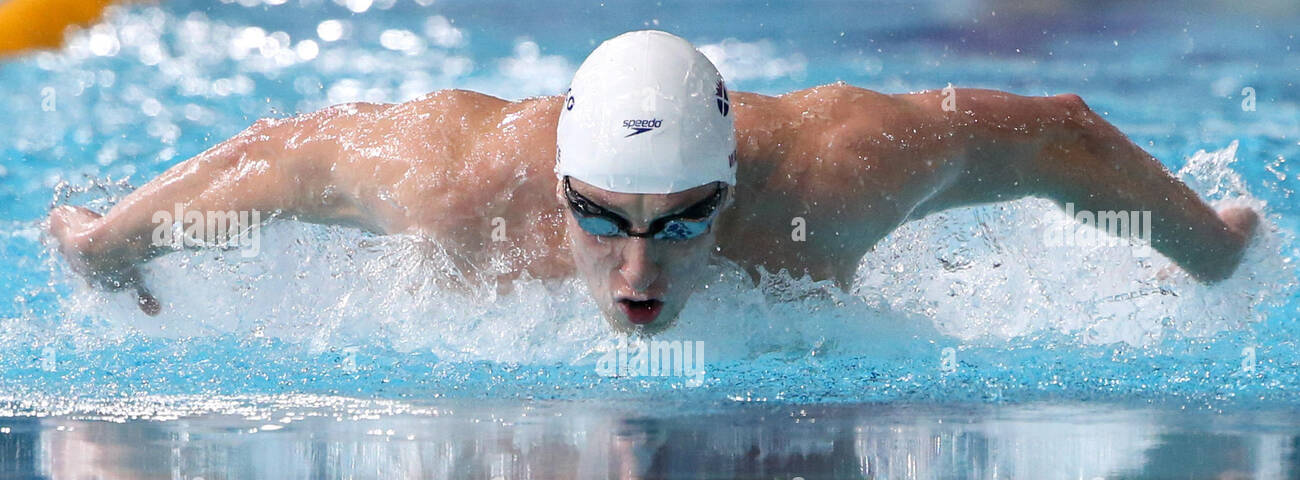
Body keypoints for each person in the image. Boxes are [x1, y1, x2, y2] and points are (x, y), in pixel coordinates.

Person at [49, 29, 1260, 332]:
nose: (639, 274)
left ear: (735, 181)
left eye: (686, 224)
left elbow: (1057, 131)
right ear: (557, 186)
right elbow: (279, 154)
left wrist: (1210, 248)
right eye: (602, 221)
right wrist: (112, 246)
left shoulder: (835, 175)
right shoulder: (452, 186)